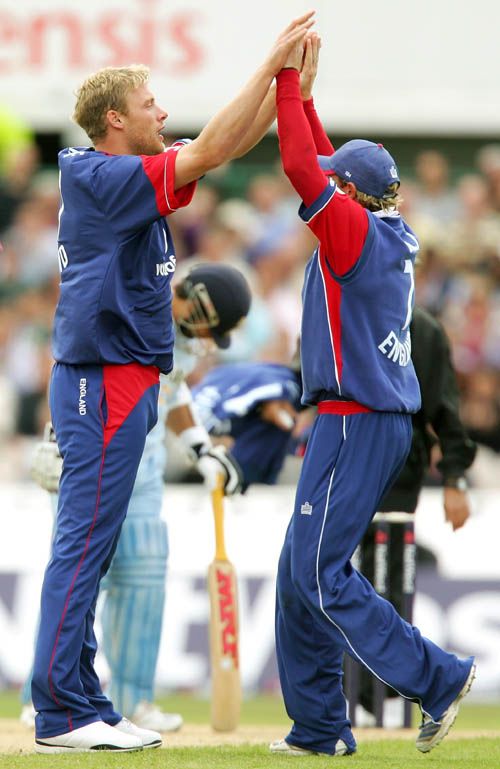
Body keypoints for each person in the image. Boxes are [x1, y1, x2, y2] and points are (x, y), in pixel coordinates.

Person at [31, 12, 316, 755]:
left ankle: (84, 697)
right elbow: (218, 144)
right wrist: (268, 62)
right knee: (82, 545)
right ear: (116, 119)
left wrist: (285, 85)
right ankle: (61, 710)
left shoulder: (123, 178)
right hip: (106, 377)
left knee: (90, 546)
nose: (164, 112)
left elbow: (227, 147)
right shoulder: (102, 175)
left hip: (120, 376)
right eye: (150, 103)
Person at [269, 34, 475, 758]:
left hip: (358, 418)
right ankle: (321, 729)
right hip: (359, 414)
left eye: (337, 183)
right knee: (299, 578)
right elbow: (324, 162)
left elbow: (300, 164)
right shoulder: (378, 224)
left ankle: (438, 677)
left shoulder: (352, 230)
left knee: (318, 574)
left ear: (350, 194)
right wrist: (310, 100)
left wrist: (286, 83)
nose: (326, 186)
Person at [25, 262, 250, 731]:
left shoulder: (185, 337)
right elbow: (73, 358)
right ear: (200, 300)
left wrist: (198, 446)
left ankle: (133, 700)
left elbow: (174, 386)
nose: (208, 338)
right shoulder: (135, 299)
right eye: (211, 324)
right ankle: (47, 689)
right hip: (93, 440)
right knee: (85, 567)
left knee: (144, 567)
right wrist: (54, 435)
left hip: (143, 458)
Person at [346, 305, 477, 726]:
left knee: (387, 582)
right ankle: (354, 690)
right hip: (342, 457)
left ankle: (380, 689)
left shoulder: (422, 329)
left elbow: (445, 408)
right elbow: (302, 376)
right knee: (332, 577)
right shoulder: (342, 309)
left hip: (399, 467)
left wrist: (455, 477)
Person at [192, 360, 303, 488]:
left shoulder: (272, 370)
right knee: (274, 430)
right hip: (204, 427)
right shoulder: (290, 385)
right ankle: (248, 483)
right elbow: (278, 414)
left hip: (193, 407)